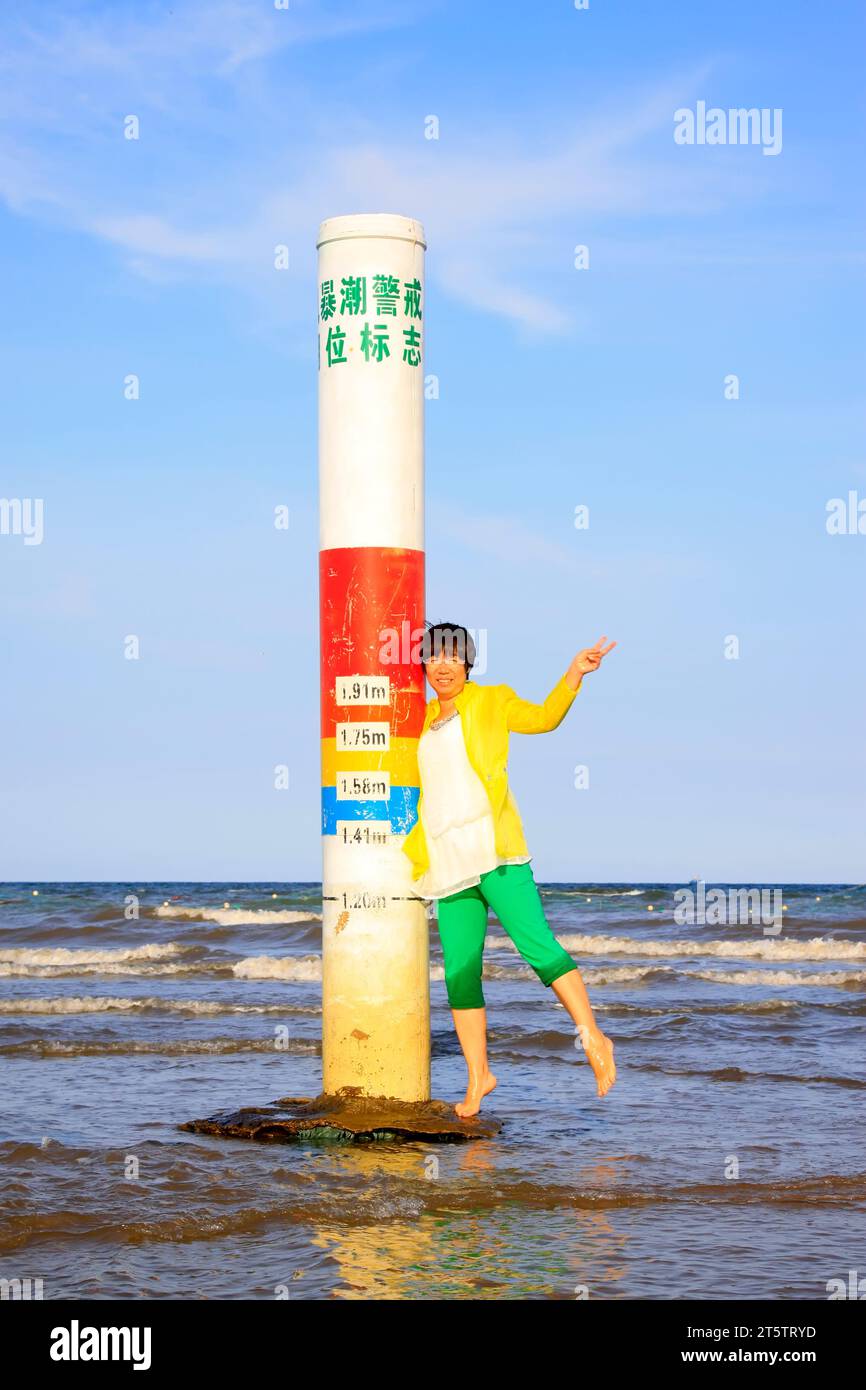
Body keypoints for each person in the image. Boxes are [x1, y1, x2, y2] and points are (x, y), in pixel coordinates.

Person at [402, 622, 617, 1117]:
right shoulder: (424, 720)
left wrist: (573, 675)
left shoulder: (492, 700)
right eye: (434, 658)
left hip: (495, 851)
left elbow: (543, 719)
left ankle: (593, 1037)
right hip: (448, 860)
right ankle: (479, 1078)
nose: (443, 666)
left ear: (467, 664)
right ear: (425, 666)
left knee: (536, 946)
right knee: (459, 971)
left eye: (453, 658)